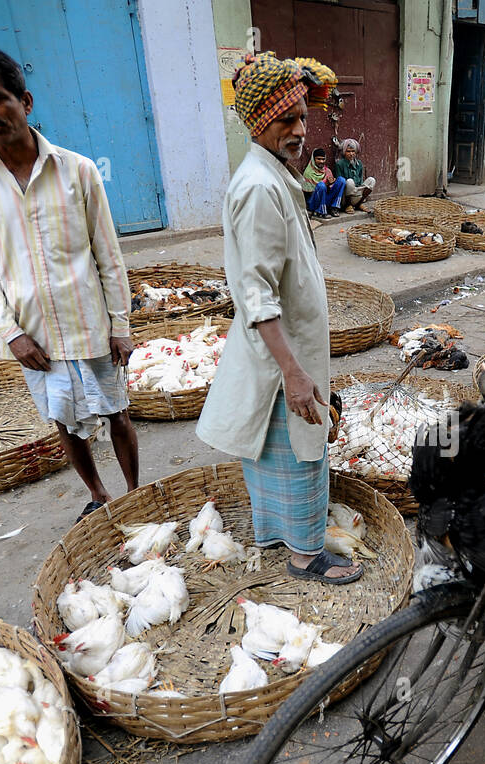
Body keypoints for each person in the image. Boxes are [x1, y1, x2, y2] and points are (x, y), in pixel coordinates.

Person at [0, 42, 137, 524]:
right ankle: (98, 494)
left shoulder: (78, 170)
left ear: (25, 102)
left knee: (117, 413)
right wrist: (11, 333)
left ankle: (135, 493)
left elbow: (107, 255)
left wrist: (120, 323)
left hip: (90, 321)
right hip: (34, 334)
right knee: (63, 420)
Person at [197, 51, 361, 585]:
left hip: (284, 350)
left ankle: (277, 536)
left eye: (301, 117)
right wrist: (292, 370)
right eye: (284, 119)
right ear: (256, 121)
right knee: (300, 456)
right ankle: (304, 556)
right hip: (280, 357)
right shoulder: (260, 188)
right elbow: (257, 292)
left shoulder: (275, 175)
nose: (298, 129)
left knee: (278, 454)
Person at [302, 148, 345, 219]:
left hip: (326, 200)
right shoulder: (308, 173)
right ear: (313, 159)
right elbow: (310, 193)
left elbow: (330, 189)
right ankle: (321, 212)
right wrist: (325, 184)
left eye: (323, 159)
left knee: (341, 180)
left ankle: (334, 208)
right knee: (321, 186)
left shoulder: (327, 171)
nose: (321, 161)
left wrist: (331, 184)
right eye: (318, 159)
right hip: (314, 201)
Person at [334, 139, 376, 210]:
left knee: (371, 180)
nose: (351, 154)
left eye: (353, 151)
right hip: (345, 195)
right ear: (344, 152)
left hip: (357, 193)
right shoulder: (339, 164)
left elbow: (360, 180)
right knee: (349, 181)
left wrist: (359, 188)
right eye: (348, 151)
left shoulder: (359, 163)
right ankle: (348, 205)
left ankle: (359, 204)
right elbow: (340, 183)